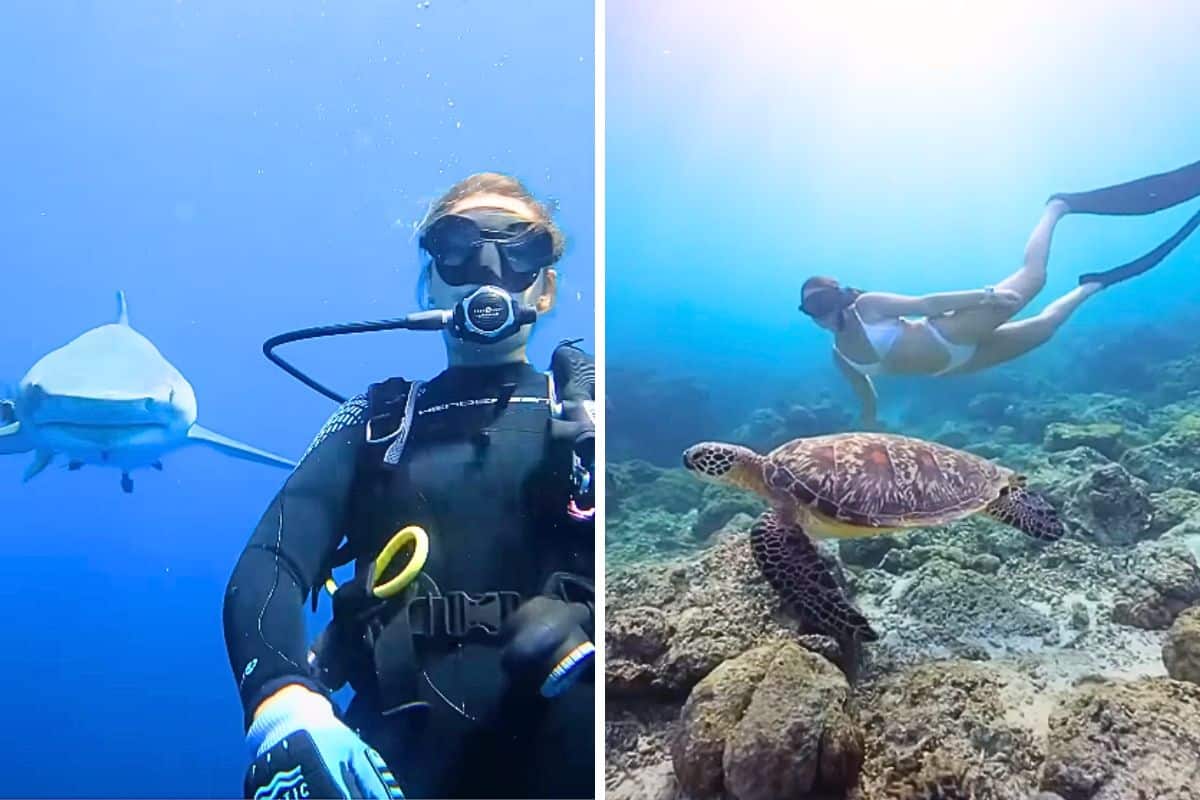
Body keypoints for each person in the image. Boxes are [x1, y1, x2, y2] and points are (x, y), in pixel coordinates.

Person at [223, 172, 596, 800]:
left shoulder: (590, 416)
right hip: (387, 774)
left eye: (519, 250)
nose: (487, 271)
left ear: (547, 286)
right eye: (458, 246)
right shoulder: (374, 424)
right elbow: (269, 561)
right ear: (429, 280)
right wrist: (283, 702)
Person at [799, 159, 1200, 424]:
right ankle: (1091, 286)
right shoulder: (841, 358)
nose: (819, 314)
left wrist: (986, 295)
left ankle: (1057, 207)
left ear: (840, 296)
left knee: (1034, 277)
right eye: (810, 310)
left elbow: (928, 304)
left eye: (821, 301)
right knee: (1045, 329)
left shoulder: (867, 307)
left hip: (949, 331)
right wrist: (867, 426)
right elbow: (866, 398)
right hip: (956, 364)